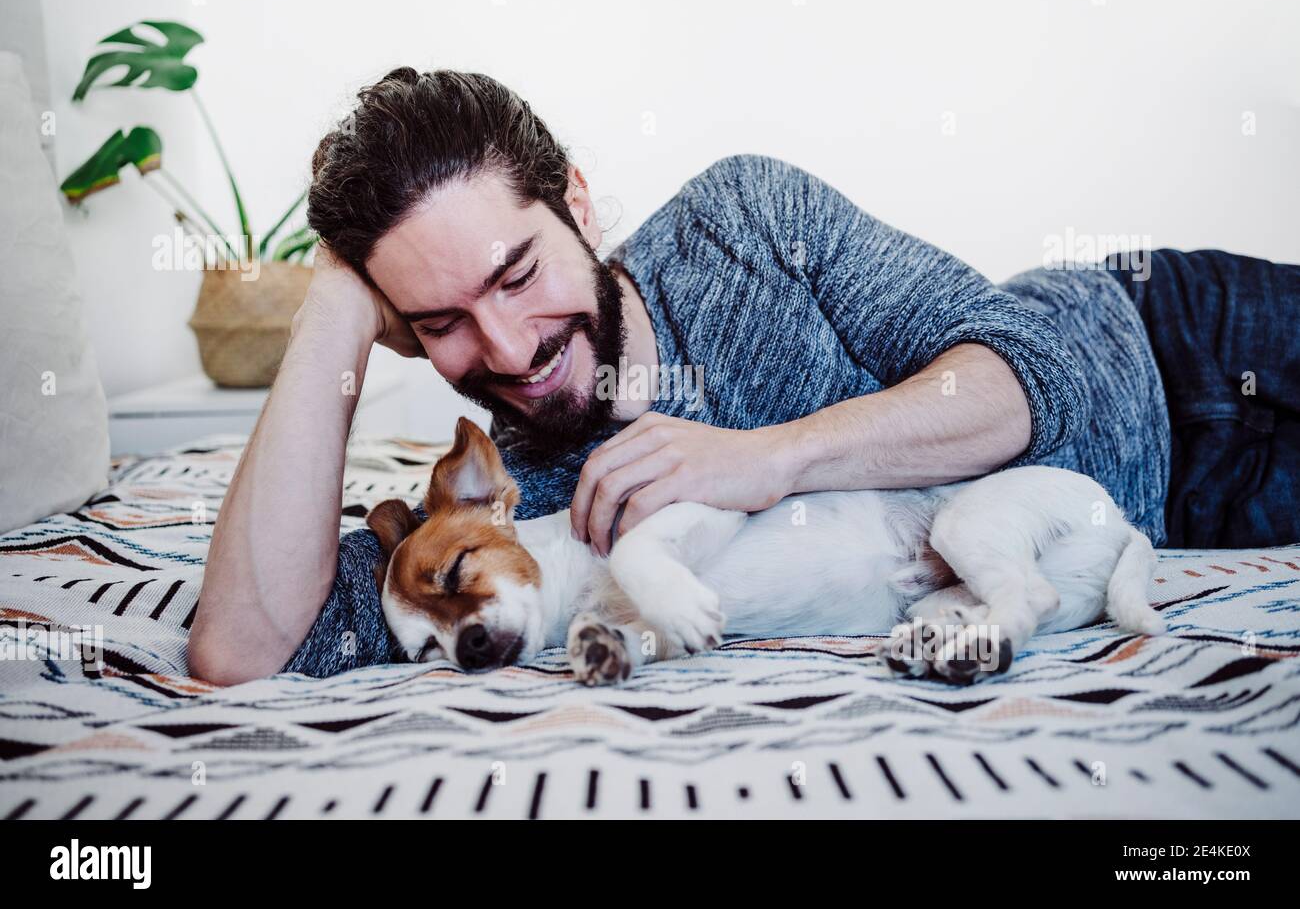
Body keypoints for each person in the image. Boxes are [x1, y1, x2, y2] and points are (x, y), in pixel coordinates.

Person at [189, 68, 1299, 684]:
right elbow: (240, 648)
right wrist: (332, 298)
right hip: (1182, 510)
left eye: (519, 273)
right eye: (440, 321)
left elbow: (1027, 377)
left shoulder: (743, 219)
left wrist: (763, 458)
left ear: (576, 201)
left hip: (1164, 332)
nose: (511, 349)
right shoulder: (523, 511)